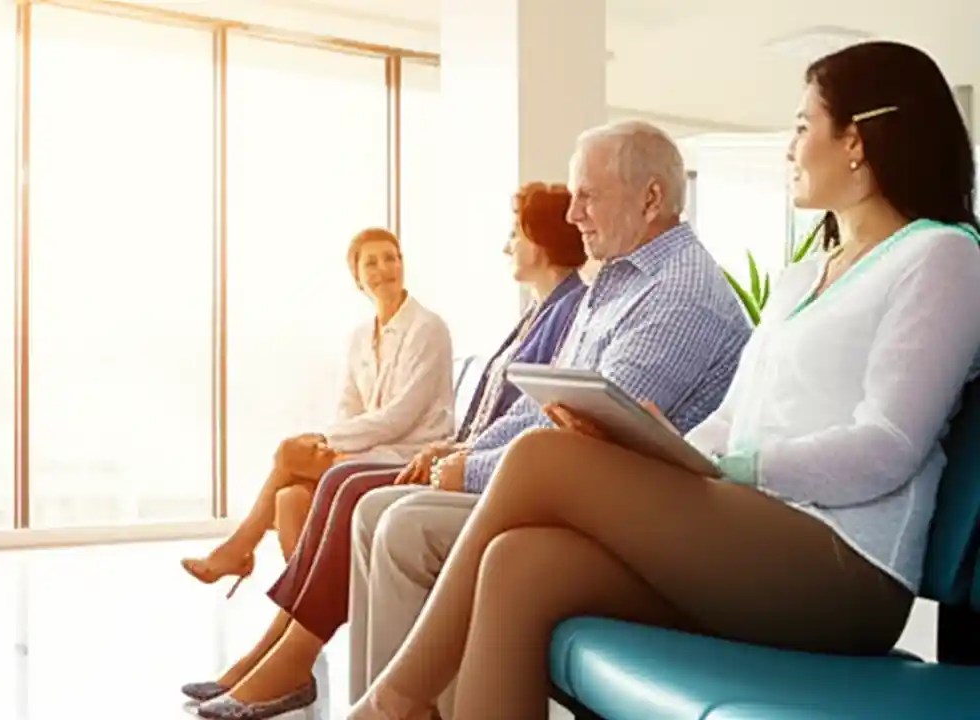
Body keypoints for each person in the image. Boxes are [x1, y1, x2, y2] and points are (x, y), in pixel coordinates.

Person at [349, 41, 980, 720]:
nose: (790, 147)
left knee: (541, 456)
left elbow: (887, 444)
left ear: (854, 139)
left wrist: (727, 468)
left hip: (846, 570)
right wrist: (660, 442)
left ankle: (395, 701)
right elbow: (733, 417)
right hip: (759, 537)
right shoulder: (805, 276)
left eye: (802, 125)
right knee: (518, 565)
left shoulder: (940, 256)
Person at [349, 119, 753, 712]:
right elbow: (550, 410)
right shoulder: (613, 281)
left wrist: (474, 472)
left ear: (650, 198)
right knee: (374, 509)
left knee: (408, 529)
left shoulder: (679, 293)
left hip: (628, 518)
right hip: (570, 495)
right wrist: (467, 458)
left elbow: (595, 442)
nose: (573, 216)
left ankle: (396, 706)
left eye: (588, 196)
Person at [186, 183, 589, 717]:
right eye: (370, 263)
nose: (505, 245)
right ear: (356, 276)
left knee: (333, 480)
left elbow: (483, 418)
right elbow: (357, 407)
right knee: (297, 497)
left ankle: (282, 647)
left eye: (514, 234)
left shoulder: (459, 325)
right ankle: (274, 657)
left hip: (423, 453)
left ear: (539, 241)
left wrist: (443, 451)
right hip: (428, 451)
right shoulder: (536, 313)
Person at [181, 228, 455, 596]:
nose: (384, 268)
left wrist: (328, 440)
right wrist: (336, 446)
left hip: (410, 456)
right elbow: (349, 406)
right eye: (370, 262)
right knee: (288, 499)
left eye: (391, 257)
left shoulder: (428, 328)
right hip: (369, 449)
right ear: (357, 278)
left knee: (289, 453)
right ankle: (307, 608)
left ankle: (240, 549)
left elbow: (401, 416)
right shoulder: (360, 336)